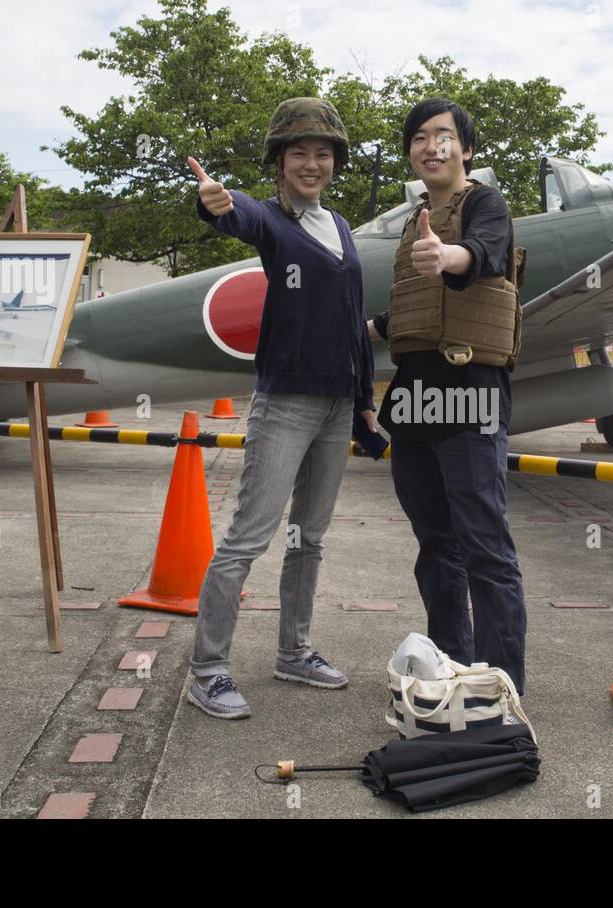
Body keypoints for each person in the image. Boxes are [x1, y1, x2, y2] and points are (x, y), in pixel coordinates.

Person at [185, 97, 377, 720]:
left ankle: (294, 651)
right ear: (280, 161)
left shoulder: (340, 226)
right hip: (286, 406)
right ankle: (208, 669)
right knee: (247, 540)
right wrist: (218, 201)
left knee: (309, 538)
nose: (312, 163)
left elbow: (352, 323)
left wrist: (365, 402)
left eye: (323, 153)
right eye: (300, 153)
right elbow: (238, 216)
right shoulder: (270, 219)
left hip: (336, 405)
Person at [368, 98, 528, 694]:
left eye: (443, 136)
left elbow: (482, 253)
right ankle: (450, 671)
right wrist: (370, 328)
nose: (431, 147)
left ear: (465, 148)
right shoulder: (415, 221)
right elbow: (418, 307)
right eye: (419, 138)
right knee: (435, 547)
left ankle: (501, 684)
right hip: (413, 404)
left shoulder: (485, 204)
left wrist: (450, 255)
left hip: (471, 398)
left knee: (484, 546)